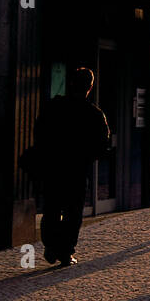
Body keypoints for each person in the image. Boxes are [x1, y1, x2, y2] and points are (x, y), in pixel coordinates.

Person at [33, 67, 110, 267]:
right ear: (90, 87)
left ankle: (51, 245)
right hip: (77, 170)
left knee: (52, 208)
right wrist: (87, 157)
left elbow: (39, 133)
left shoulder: (54, 107)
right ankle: (66, 252)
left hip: (54, 168)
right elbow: (103, 144)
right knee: (73, 213)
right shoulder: (94, 114)